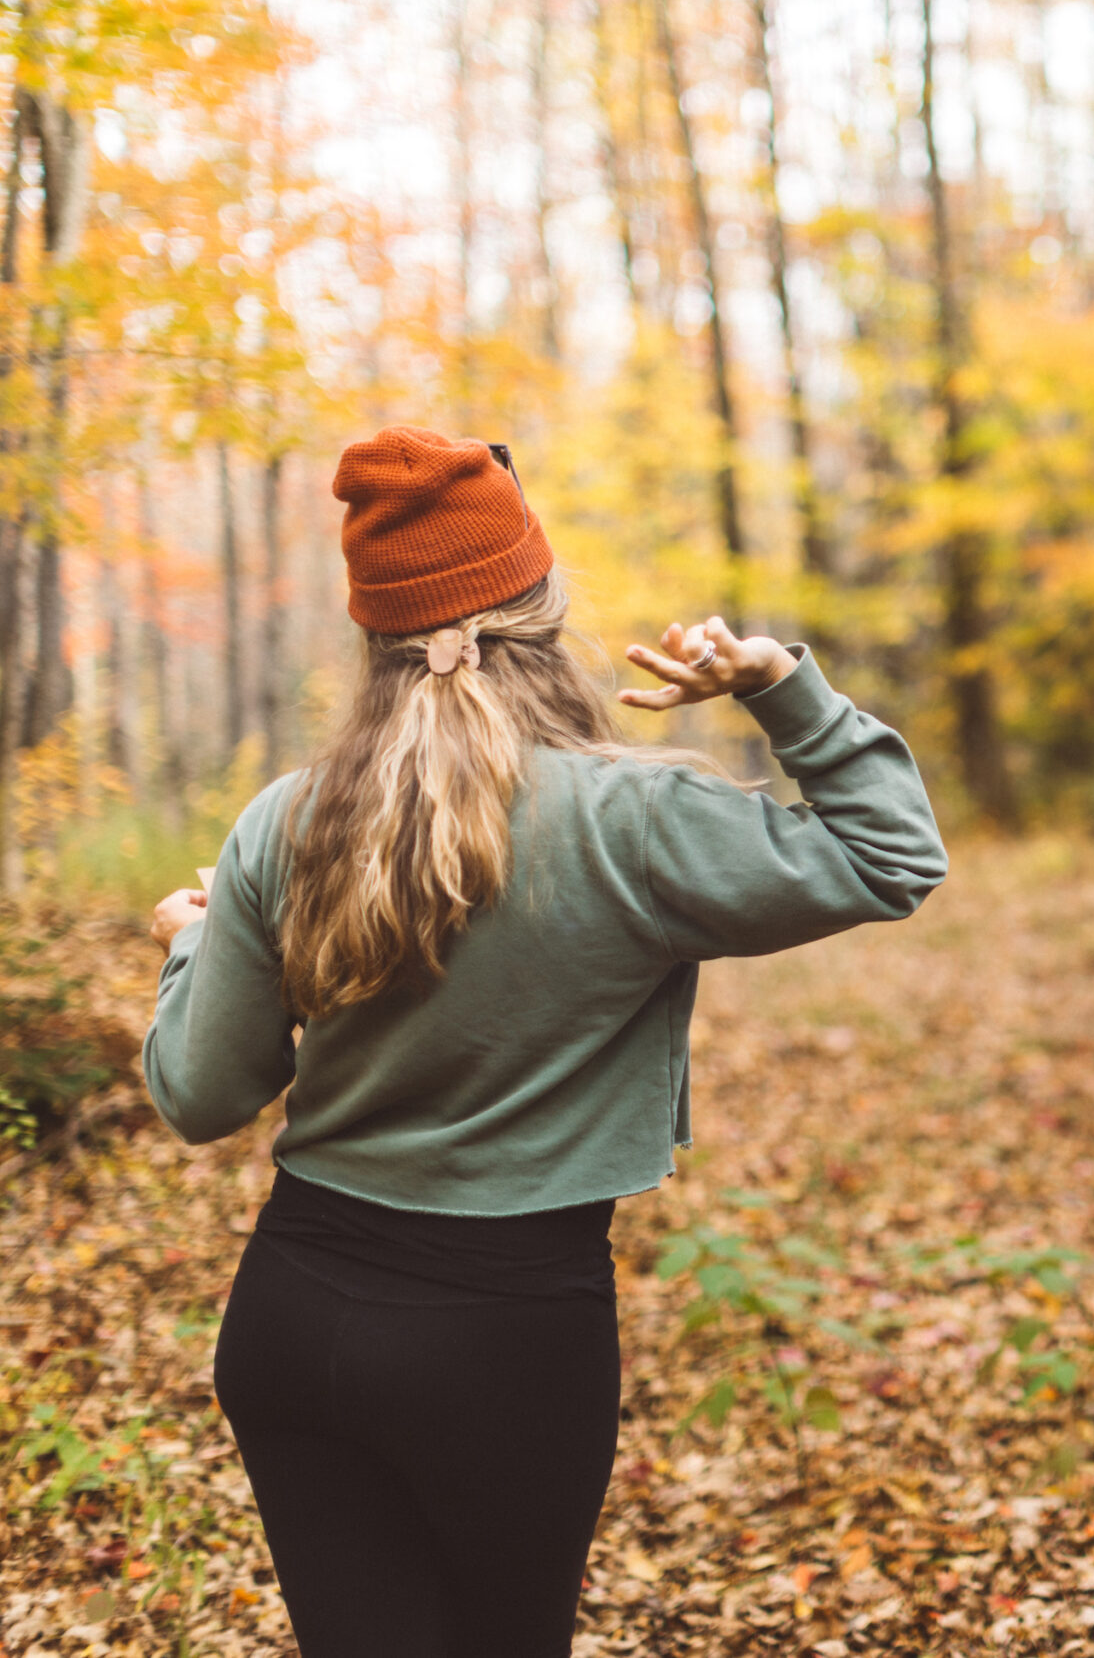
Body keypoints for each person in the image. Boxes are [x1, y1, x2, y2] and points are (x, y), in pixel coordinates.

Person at [141, 426, 948, 1658]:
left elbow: (202, 1094)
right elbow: (893, 855)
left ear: (374, 634)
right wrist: (780, 682)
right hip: (508, 1338)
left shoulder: (287, 823)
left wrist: (193, 944)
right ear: (542, 604)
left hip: (293, 1318)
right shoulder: (633, 819)